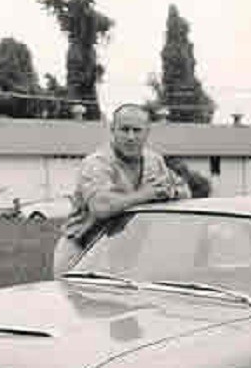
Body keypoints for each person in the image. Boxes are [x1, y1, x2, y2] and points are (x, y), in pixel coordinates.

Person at [52, 104, 191, 275]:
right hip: (82, 249)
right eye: (124, 129)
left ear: (147, 132)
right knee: (76, 300)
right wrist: (146, 194)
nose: (130, 137)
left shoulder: (154, 160)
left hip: (125, 250)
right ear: (113, 130)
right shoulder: (97, 163)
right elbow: (101, 207)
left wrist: (170, 192)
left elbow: (184, 190)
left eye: (137, 130)